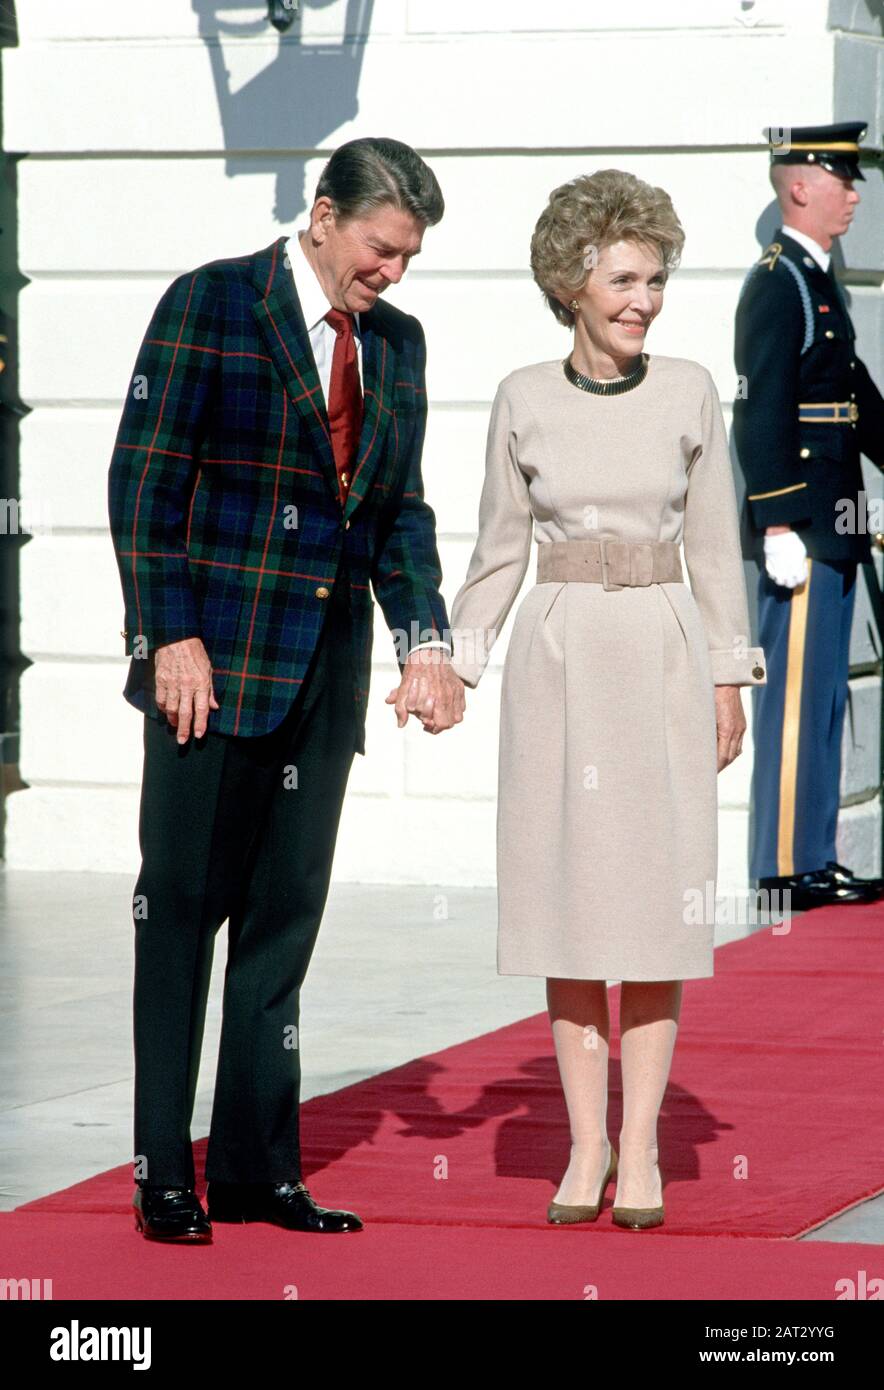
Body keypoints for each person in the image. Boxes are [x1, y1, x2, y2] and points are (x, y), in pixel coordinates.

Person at [108, 136, 465, 1243]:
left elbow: (399, 512)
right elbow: (143, 478)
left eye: (406, 256)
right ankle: (164, 1169)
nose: (391, 274)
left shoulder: (396, 345)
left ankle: (259, 1169)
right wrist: (169, 635)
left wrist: (424, 639)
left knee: (279, 931)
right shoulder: (212, 302)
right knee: (179, 919)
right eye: (378, 248)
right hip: (208, 677)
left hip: (322, 686)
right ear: (321, 214)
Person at [446, 169, 767, 1230]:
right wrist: (447, 659)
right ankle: (583, 1147)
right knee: (570, 913)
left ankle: (642, 1154)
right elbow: (496, 552)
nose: (644, 299)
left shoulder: (685, 390)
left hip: (664, 657)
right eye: (623, 278)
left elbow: (716, 545)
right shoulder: (521, 397)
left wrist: (730, 676)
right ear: (570, 282)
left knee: (651, 915)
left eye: (655, 278)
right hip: (557, 664)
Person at [732, 122, 884, 912]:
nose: (854, 192)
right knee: (793, 700)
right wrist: (778, 523)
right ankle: (786, 866)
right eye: (840, 178)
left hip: (838, 520)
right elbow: (760, 411)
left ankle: (814, 856)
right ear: (798, 186)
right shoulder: (778, 283)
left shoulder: (820, 280)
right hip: (805, 526)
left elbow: (854, 397)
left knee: (826, 696)